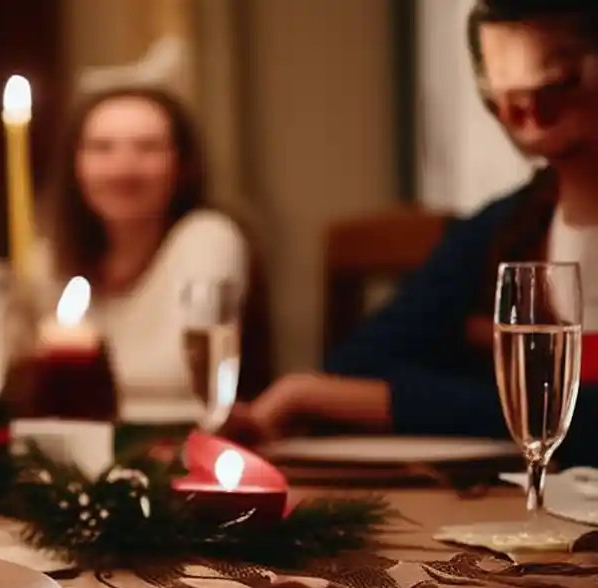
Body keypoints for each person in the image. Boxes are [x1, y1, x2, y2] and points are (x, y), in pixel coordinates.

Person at [226, 0, 598, 465]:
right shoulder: (507, 227)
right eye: (504, 97)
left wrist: (318, 396)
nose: (530, 115)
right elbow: (360, 361)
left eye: (558, 82)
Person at [47, 85, 252, 418]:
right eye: (101, 148)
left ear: (183, 164)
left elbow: (181, 373)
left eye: (148, 147)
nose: (123, 167)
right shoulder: (51, 260)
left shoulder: (208, 236)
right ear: (74, 165)